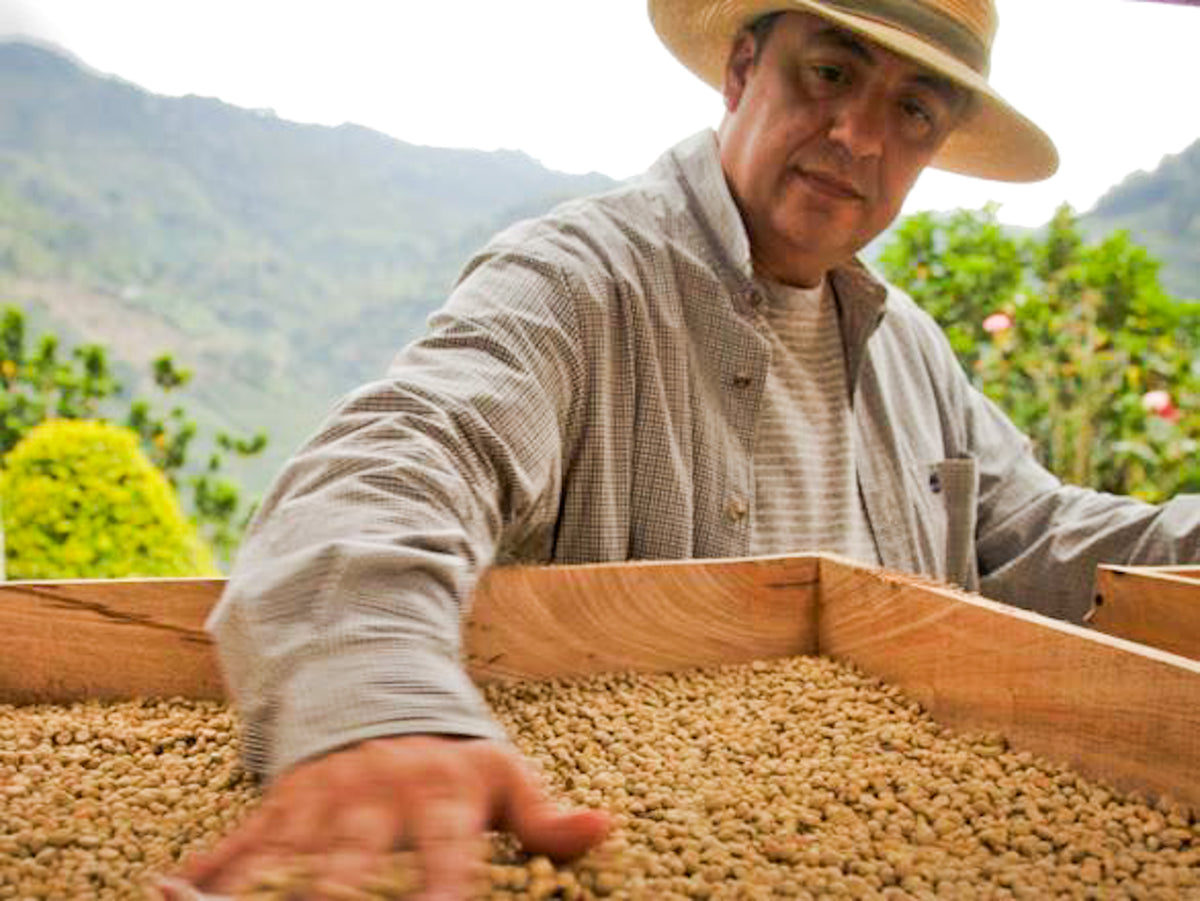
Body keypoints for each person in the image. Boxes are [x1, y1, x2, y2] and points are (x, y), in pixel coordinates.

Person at [177, 0, 1200, 897]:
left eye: (914, 110)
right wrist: (380, 698)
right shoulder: (581, 280)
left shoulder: (909, 346)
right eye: (832, 72)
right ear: (743, 69)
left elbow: (1040, 537)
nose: (857, 134)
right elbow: (397, 459)